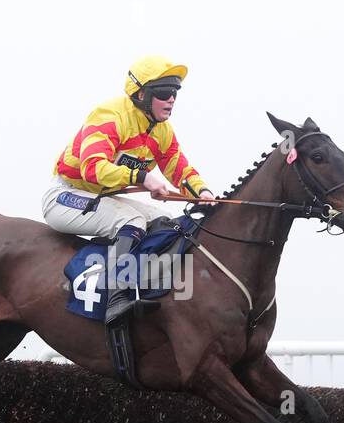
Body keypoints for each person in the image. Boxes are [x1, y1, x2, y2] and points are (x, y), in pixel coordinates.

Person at [42, 55, 215, 326]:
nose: (171, 100)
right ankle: (116, 297)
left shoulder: (161, 131)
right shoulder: (110, 116)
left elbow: (179, 168)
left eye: (175, 94)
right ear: (142, 93)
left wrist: (202, 193)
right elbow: (92, 167)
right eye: (165, 93)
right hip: (66, 196)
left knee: (165, 222)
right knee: (131, 221)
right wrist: (143, 177)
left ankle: (149, 288)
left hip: (103, 197)